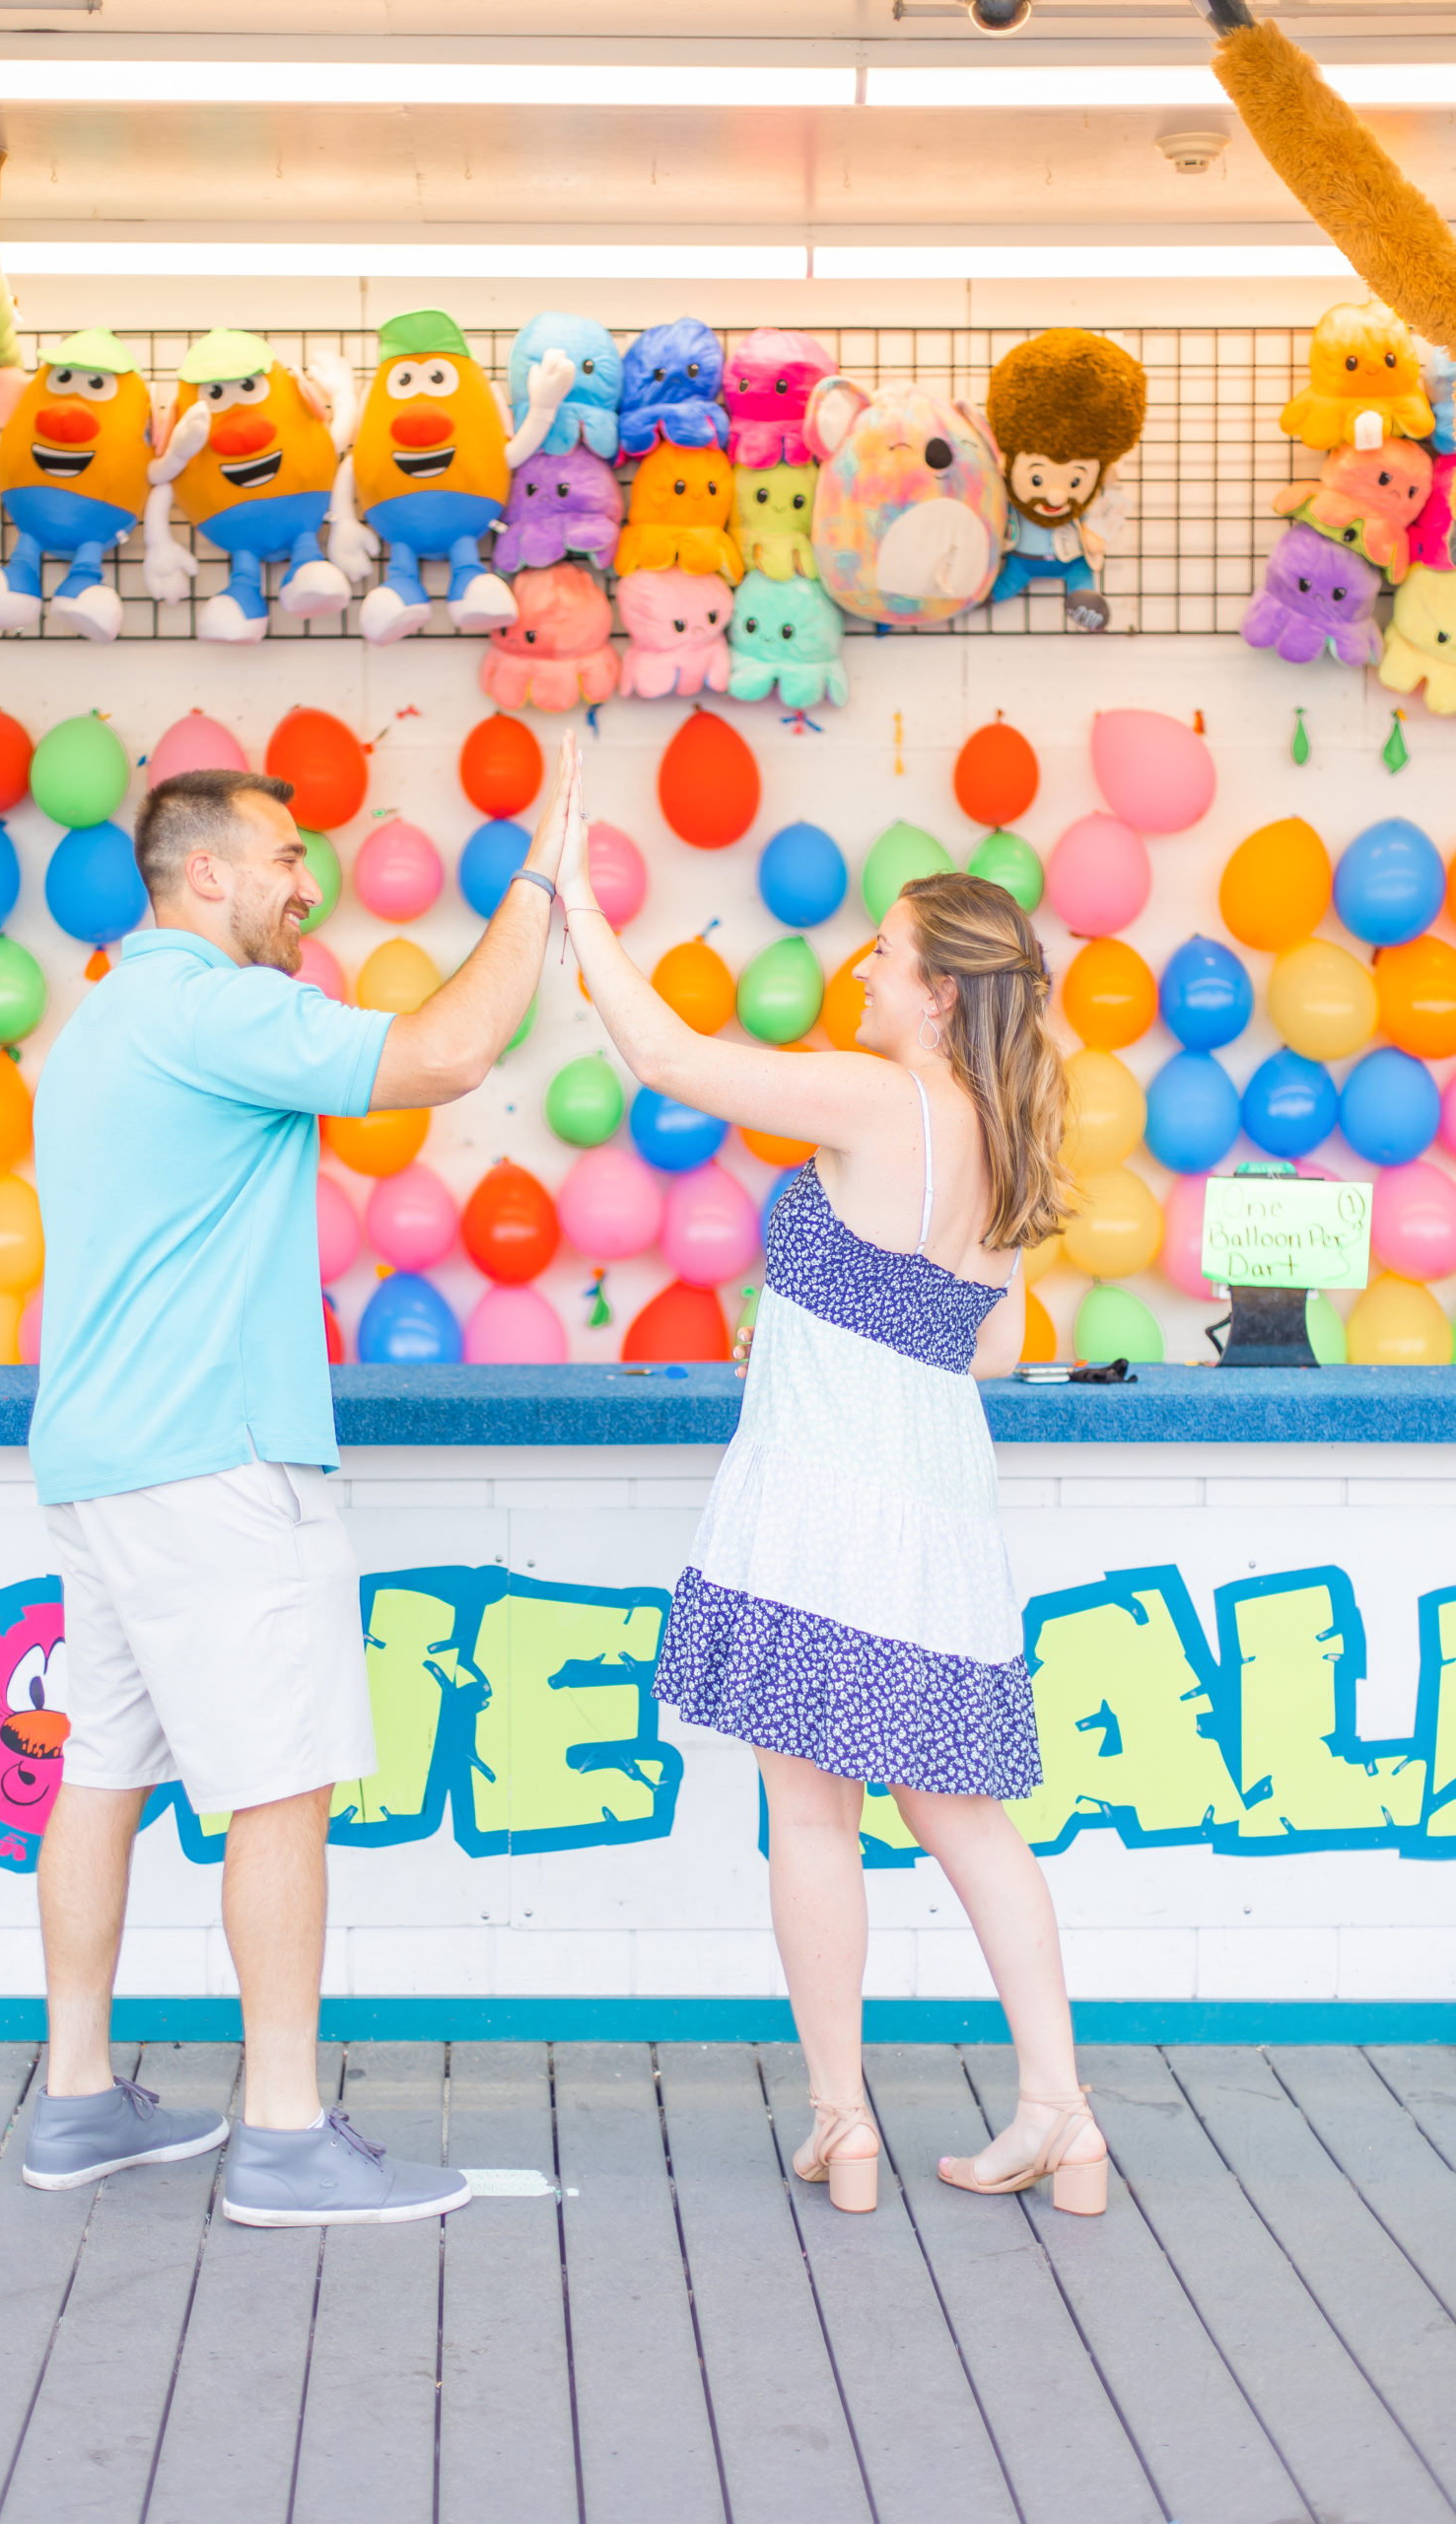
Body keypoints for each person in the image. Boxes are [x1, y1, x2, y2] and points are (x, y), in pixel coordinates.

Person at [22, 736, 576, 2226]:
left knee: (101, 1772)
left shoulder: (105, 1017)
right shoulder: (215, 1007)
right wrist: (538, 887)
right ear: (205, 874)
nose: (305, 885)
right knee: (278, 1789)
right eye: (283, 861)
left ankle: (77, 2100)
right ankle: (280, 2132)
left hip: (103, 1467)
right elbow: (445, 1056)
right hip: (214, 1466)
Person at [559, 774, 1106, 2220]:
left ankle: (842, 2123)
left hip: (820, 1505)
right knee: (969, 1822)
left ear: (938, 994)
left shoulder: (881, 1098)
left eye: (886, 951)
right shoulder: (1003, 1130)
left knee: (810, 1820)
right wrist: (832, 1321)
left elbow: (666, 1055)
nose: (862, 966)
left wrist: (576, 902)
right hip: (936, 1511)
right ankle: (1062, 2115)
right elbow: (989, 1347)